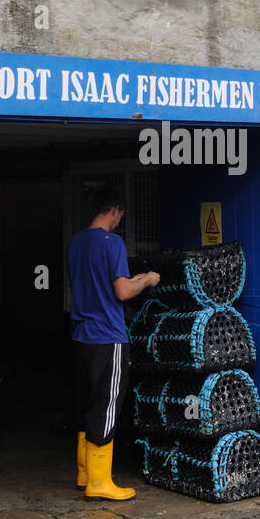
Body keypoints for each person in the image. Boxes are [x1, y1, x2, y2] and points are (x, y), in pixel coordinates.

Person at [65, 189, 160, 500]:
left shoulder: (76, 242)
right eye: (121, 215)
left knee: (85, 404)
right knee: (106, 407)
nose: (121, 221)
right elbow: (121, 292)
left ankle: (83, 473)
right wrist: (145, 280)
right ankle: (100, 482)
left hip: (81, 336)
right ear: (115, 210)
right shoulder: (112, 243)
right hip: (108, 336)